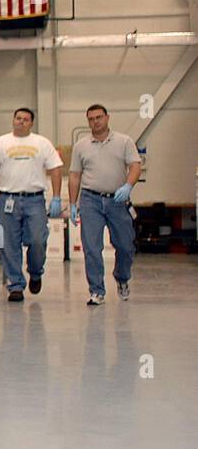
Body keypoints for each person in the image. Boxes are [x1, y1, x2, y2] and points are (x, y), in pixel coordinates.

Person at [0, 108, 64, 302]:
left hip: (35, 200)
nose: (21, 122)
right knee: (8, 244)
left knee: (37, 240)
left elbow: (56, 169)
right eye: (18, 118)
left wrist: (57, 197)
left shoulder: (42, 143)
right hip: (7, 199)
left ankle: (35, 272)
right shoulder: (0, 143)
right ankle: (15, 285)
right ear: (13, 120)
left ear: (31, 123)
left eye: (25, 119)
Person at [68, 104, 141, 306]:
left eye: (99, 117)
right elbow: (74, 175)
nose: (95, 122)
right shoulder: (80, 146)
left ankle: (122, 277)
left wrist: (127, 185)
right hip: (90, 200)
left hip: (117, 200)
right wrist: (73, 204)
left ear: (107, 118)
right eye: (91, 119)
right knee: (91, 247)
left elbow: (135, 165)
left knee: (125, 245)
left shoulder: (124, 141)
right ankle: (96, 291)